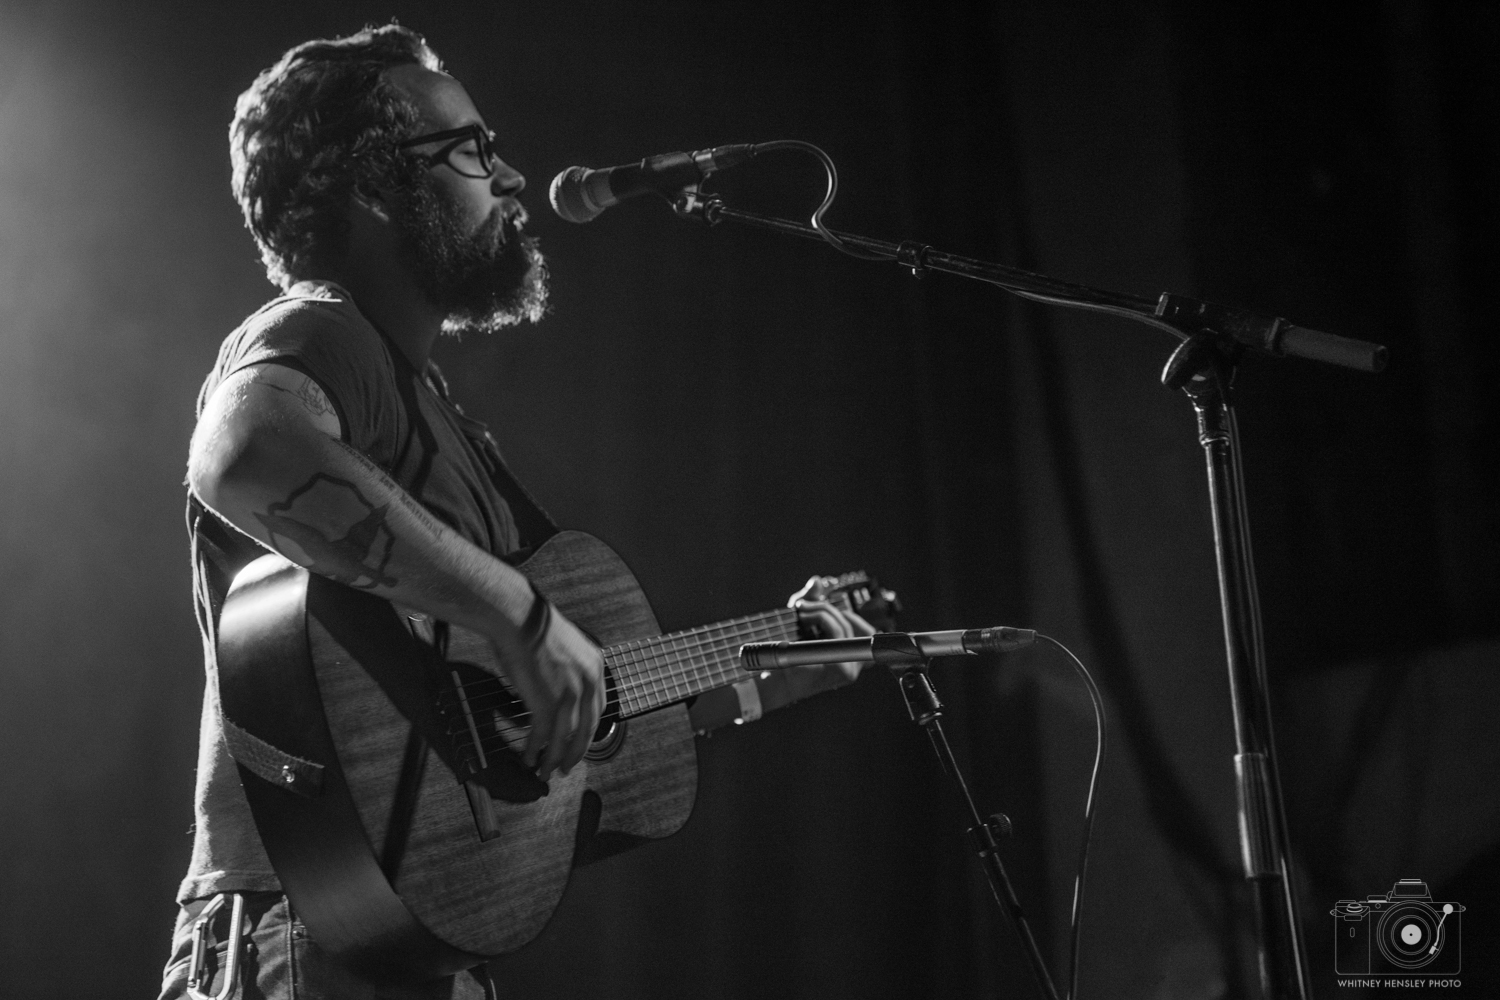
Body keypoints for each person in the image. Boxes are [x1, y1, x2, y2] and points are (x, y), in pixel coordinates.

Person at [159, 24, 872, 1000]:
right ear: (372, 184)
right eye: (472, 151)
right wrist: (523, 615)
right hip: (298, 941)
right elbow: (243, 456)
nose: (511, 179)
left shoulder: (437, 415)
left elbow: (541, 706)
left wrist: (773, 661)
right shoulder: (316, 331)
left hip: (414, 952)